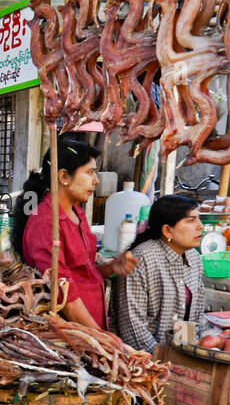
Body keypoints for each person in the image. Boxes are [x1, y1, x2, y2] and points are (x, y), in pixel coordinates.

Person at [11, 139, 137, 330]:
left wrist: (112, 267)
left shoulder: (77, 212)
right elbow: (63, 293)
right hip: (70, 333)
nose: (96, 180)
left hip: (91, 326)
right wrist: (103, 339)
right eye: (89, 172)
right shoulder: (46, 223)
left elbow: (81, 271)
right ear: (64, 177)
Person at [111, 194, 206, 353]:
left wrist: (184, 354)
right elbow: (132, 328)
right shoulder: (141, 259)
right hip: (139, 357)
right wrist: (162, 357)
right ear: (167, 230)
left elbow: (191, 318)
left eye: (199, 219)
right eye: (191, 220)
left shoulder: (194, 259)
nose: (200, 226)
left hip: (175, 357)